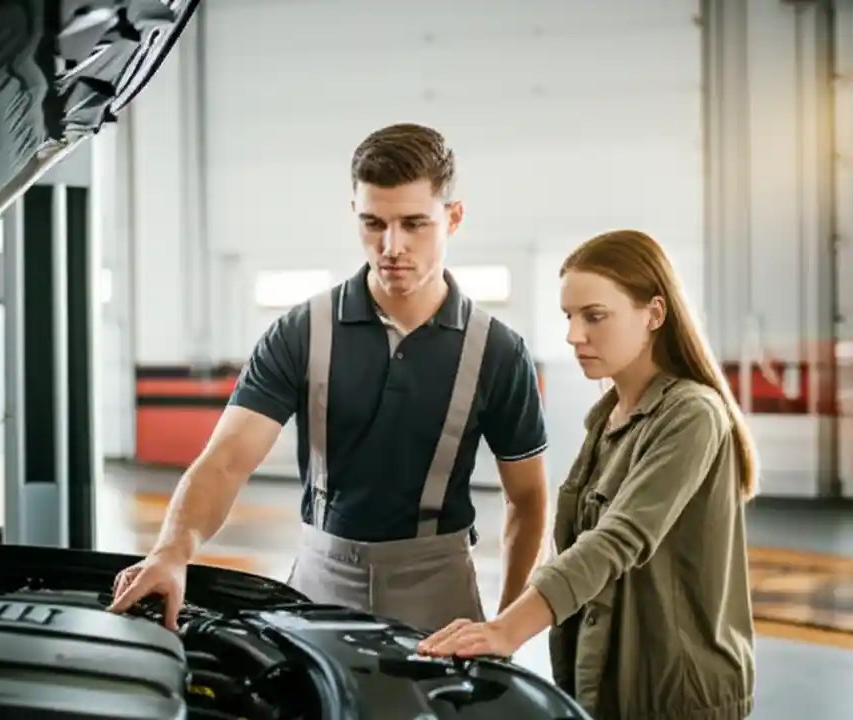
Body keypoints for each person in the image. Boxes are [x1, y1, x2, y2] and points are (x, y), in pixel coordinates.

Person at [107, 123, 550, 632]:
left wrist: (506, 628)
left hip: (438, 589)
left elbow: (529, 500)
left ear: (453, 218)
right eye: (373, 223)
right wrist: (171, 550)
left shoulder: (498, 351)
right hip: (321, 577)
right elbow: (225, 461)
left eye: (413, 223)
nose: (391, 245)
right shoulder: (302, 332)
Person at [418, 229, 757, 720]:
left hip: (676, 695)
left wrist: (507, 629)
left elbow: (618, 539)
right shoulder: (608, 416)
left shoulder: (692, 414)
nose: (575, 335)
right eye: (569, 317)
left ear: (654, 314)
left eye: (595, 316)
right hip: (606, 681)